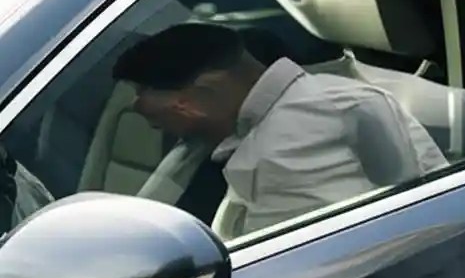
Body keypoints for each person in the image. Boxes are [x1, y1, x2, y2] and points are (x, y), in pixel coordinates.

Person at [113, 23, 447, 238]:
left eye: (143, 91)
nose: (135, 105)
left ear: (203, 92)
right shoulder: (313, 105)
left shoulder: (317, 124)